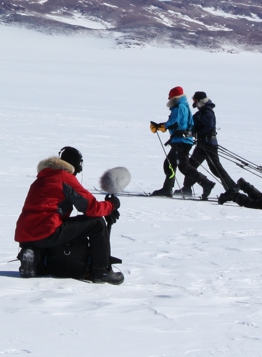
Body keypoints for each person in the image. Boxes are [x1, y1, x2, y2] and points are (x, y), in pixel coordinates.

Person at [15, 146, 124, 284]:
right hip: (47, 231)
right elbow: (91, 208)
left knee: (54, 225)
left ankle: (33, 258)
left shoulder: (41, 179)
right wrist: (112, 205)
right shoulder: (64, 178)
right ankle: (100, 271)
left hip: (25, 235)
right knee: (97, 223)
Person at [149, 86, 210, 197]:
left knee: (184, 167)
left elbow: (175, 122)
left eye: (170, 97)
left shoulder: (180, 106)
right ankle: (167, 188)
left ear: (174, 98)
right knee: (170, 164)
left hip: (182, 141)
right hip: (182, 140)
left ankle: (206, 183)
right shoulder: (182, 105)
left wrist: (160, 126)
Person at [182, 90, 235, 199]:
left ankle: (232, 189)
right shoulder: (203, 112)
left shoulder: (207, 112)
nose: (194, 103)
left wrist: (193, 133)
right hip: (205, 144)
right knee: (210, 167)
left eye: (195, 100)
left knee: (198, 165)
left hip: (207, 144)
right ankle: (232, 188)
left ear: (200, 101)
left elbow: (208, 127)